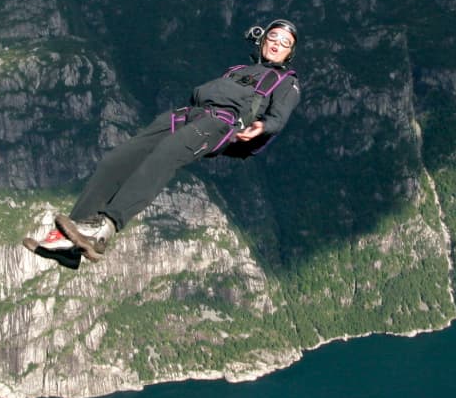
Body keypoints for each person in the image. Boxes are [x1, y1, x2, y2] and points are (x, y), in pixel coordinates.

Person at [24, 19, 302, 261]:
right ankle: (70, 241)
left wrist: (261, 126)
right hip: (185, 116)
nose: (277, 44)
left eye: (285, 42)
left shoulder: (286, 82)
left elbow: (279, 117)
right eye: (273, 37)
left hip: (218, 124)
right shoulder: (238, 70)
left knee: (163, 158)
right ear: (263, 40)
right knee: (116, 160)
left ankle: (104, 229)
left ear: (289, 53)